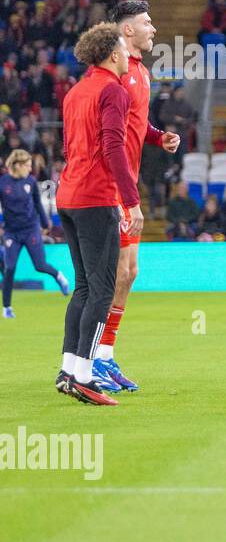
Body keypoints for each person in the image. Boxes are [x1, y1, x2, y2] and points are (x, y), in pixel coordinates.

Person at [92, 1, 180, 392]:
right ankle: (90, 357)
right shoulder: (115, 74)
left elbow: (134, 124)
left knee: (128, 273)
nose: (154, 29)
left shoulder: (140, 72)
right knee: (111, 275)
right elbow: (110, 134)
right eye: (147, 22)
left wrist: (159, 137)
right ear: (127, 31)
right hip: (110, 185)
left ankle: (105, 355)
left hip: (127, 182)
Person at [54, 23, 144, 406]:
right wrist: (132, 201)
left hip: (68, 195)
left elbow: (69, 146)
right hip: (95, 198)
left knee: (84, 287)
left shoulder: (76, 91)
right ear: (112, 54)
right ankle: (87, 376)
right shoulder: (114, 90)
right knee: (103, 289)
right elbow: (113, 148)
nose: (129, 57)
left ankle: (69, 370)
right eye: (125, 50)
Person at [1, 148, 69, 317]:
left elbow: (38, 204)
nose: (30, 168)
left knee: (40, 265)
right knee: (9, 268)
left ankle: (59, 276)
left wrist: (46, 223)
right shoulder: (3, 183)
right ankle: (7, 308)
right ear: (18, 165)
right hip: (11, 233)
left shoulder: (30, 182)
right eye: (28, 165)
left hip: (30, 229)